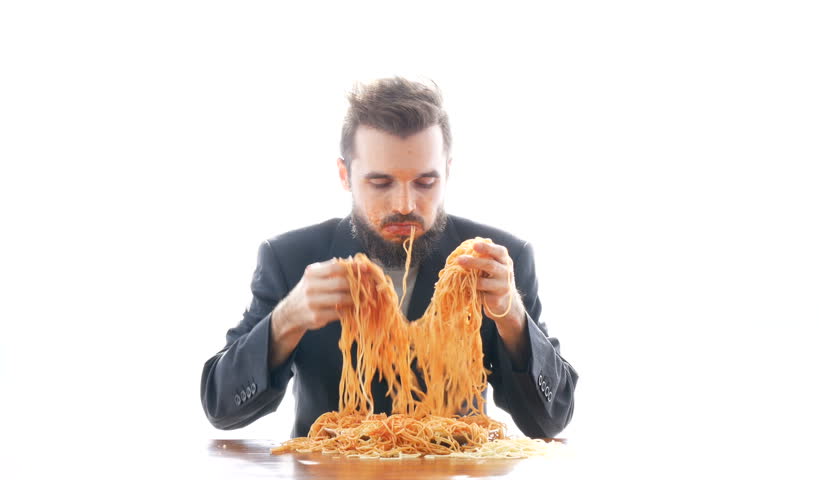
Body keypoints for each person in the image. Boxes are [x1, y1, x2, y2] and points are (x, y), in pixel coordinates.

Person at [200, 77, 578, 439]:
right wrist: (285, 320)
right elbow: (221, 408)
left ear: (447, 172)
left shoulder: (496, 259)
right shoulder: (289, 258)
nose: (405, 204)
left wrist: (512, 315)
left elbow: (551, 419)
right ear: (345, 175)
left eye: (425, 182)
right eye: (380, 183)